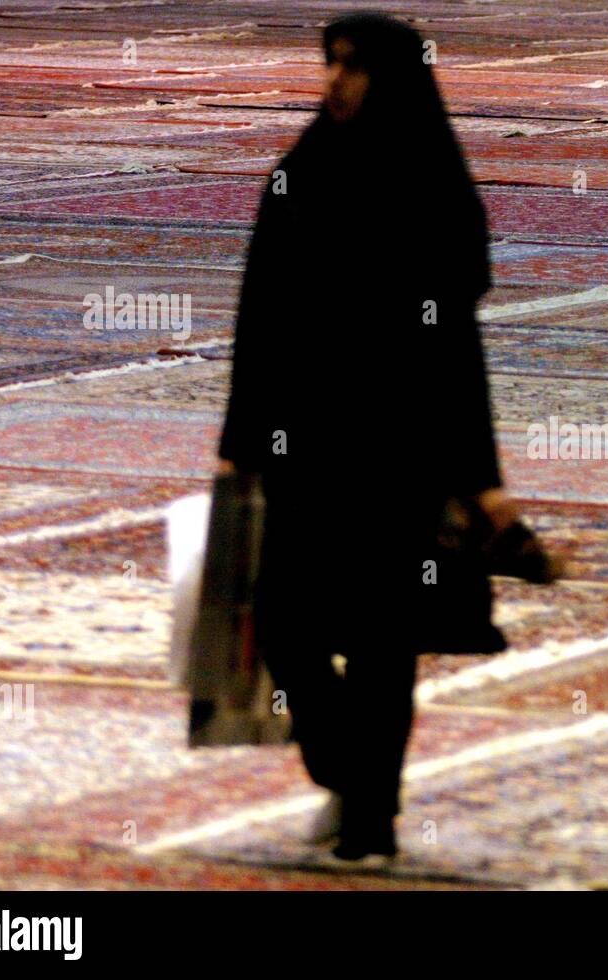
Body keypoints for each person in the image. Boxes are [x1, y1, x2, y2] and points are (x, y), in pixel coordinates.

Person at [216, 11, 542, 864]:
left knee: (380, 637)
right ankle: (345, 766)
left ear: (389, 78)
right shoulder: (303, 173)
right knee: (285, 622)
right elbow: (260, 314)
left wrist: (482, 479)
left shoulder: (430, 189)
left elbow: (453, 349)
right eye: (329, 63)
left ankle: (373, 817)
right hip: (305, 443)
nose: (333, 81)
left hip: (399, 451)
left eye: (352, 67)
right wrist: (240, 435)